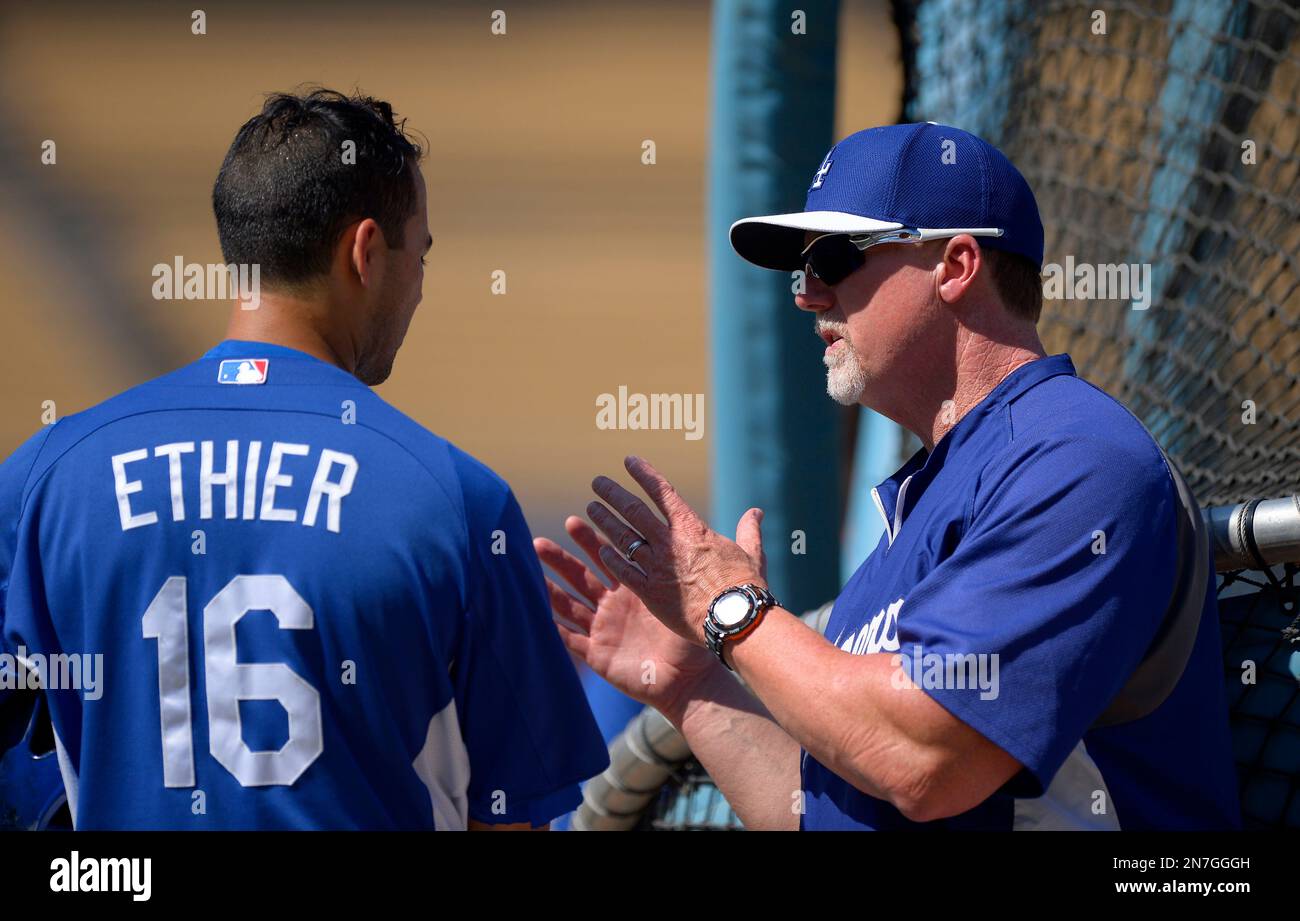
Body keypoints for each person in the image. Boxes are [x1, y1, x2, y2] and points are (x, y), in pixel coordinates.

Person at [536, 123, 1240, 830]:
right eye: (800, 271)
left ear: (957, 264)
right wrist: (693, 681)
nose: (807, 296)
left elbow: (927, 760)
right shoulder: (911, 523)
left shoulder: (1076, 458)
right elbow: (819, 813)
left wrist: (734, 609)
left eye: (836, 258)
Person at [0, 88, 607, 830]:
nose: (418, 286)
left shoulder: (42, 478)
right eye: (420, 253)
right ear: (366, 252)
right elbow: (510, 818)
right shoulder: (455, 498)